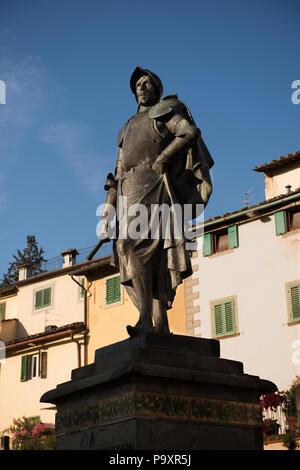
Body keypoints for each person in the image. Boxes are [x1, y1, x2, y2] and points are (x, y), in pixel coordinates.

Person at [100, 67, 214, 337]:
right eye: (138, 85)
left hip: (155, 187)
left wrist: (164, 157)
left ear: (156, 89)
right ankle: (158, 324)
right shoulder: (126, 127)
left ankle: (144, 320)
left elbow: (189, 132)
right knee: (143, 257)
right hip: (129, 192)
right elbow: (117, 174)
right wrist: (108, 210)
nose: (141, 88)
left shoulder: (164, 111)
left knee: (133, 247)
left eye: (146, 83)